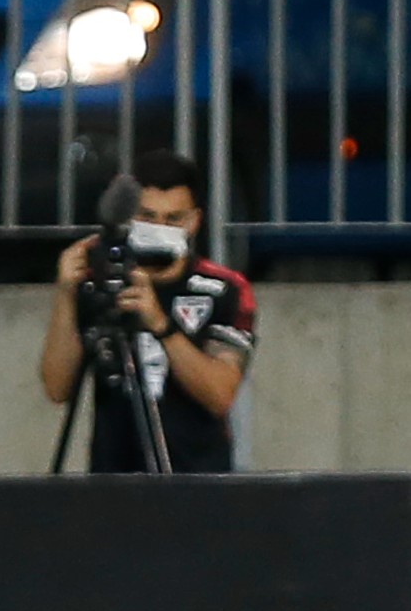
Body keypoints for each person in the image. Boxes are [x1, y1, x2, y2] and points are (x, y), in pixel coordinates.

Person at [39, 149, 256, 473]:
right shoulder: (99, 282)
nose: (159, 228)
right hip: (113, 483)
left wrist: (161, 325)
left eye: (173, 219)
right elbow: (57, 388)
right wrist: (67, 294)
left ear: (194, 221)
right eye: (148, 217)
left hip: (199, 483)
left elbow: (220, 394)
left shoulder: (225, 289)